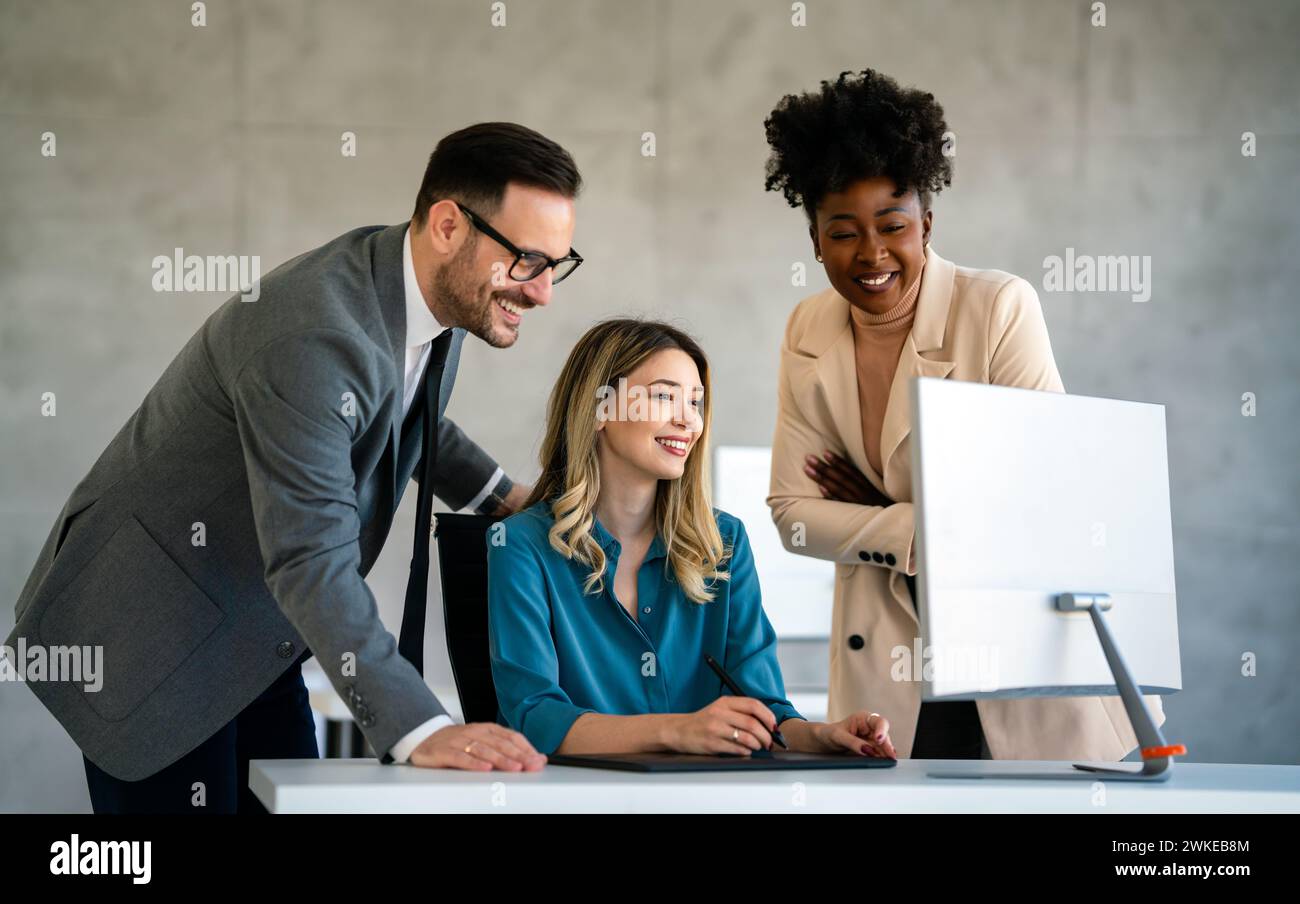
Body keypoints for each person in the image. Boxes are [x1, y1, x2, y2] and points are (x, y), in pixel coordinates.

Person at [8, 122, 583, 812]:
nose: (544, 291)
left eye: (557, 262)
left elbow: (398, 410)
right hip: (150, 635)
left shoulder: (415, 286)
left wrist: (506, 499)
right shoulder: (312, 332)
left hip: (256, 625)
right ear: (448, 226)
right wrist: (420, 726)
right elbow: (311, 556)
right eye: (526, 260)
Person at [762, 70, 1166, 760]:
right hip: (891, 663)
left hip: (1019, 655)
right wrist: (919, 519)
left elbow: (1042, 503)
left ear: (926, 221)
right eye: (842, 232)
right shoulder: (807, 327)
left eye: (892, 226)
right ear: (814, 240)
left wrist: (866, 511)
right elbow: (792, 515)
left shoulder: (997, 308)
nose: (871, 254)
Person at [487, 318, 897, 759]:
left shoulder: (725, 542)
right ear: (600, 408)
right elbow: (534, 717)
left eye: (696, 403)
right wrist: (676, 731)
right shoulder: (521, 545)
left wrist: (820, 736)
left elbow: (765, 709)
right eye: (664, 397)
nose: (689, 421)